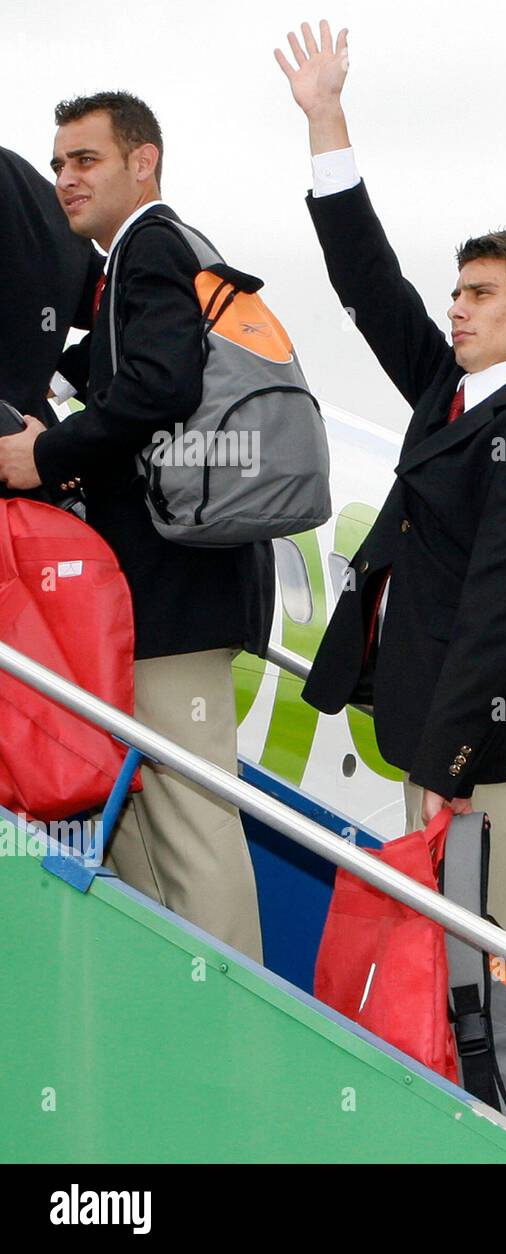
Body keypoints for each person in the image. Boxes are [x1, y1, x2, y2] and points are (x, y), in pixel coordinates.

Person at [273, 22, 506, 1159]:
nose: (455, 310)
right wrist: (327, 127)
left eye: (481, 294)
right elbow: (369, 286)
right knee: (459, 969)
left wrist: (446, 764)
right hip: (435, 737)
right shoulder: (451, 399)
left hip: (490, 753)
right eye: (455, 293)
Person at [0, 93, 271, 962]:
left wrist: (47, 456)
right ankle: (179, 1001)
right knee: (152, 832)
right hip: (161, 593)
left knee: (192, 821)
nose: (65, 181)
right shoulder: (127, 267)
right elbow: (124, 370)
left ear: (142, 162)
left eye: (86, 161)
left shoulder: (153, 245)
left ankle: (234, 1012)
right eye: (58, 164)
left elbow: (160, 387)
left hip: (176, 593)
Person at [0, 145, 98, 433]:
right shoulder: (42, 198)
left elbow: (123, 300)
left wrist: (67, 375)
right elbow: (125, 302)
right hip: (29, 444)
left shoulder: (42, 199)